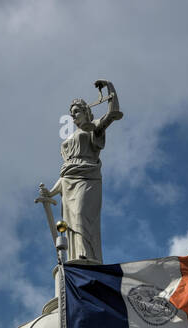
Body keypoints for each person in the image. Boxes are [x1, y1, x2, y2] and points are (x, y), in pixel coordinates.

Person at [39, 81, 122, 263]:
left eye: (76, 111)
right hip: (68, 182)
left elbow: (112, 114)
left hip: (88, 178)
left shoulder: (93, 127)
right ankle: (76, 256)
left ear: (86, 112)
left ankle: (89, 256)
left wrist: (110, 87)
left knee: (81, 216)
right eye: (71, 112)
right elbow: (66, 174)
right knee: (70, 224)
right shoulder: (69, 137)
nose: (72, 115)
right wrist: (51, 193)